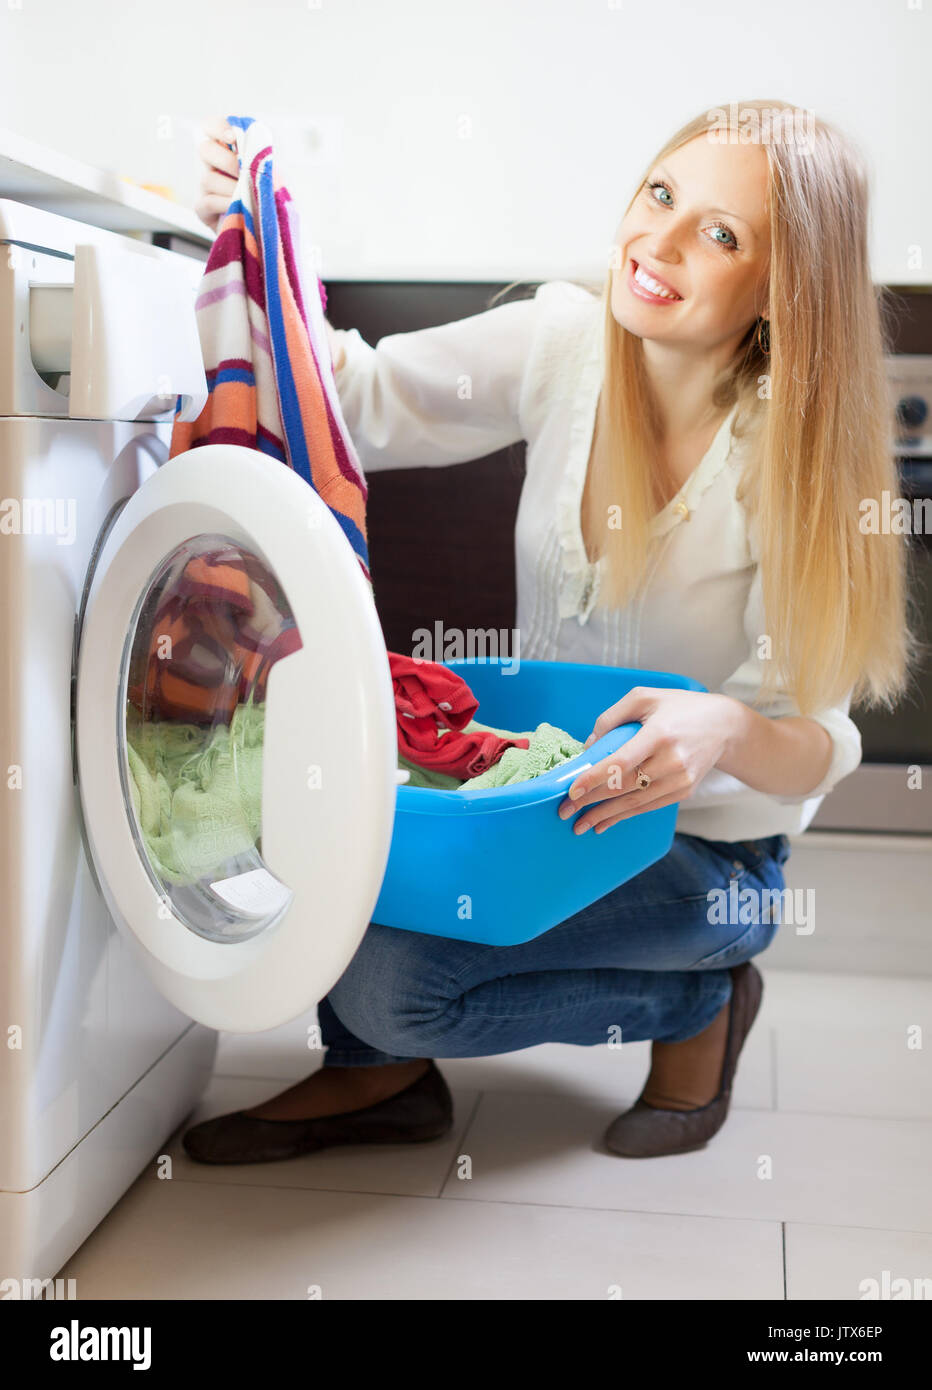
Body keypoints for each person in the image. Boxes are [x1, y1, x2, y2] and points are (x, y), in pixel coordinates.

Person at [184, 101, 918, 1164]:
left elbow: (817, 742)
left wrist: (715, 726)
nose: (656, 245)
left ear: (779, 288)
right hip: (543, 807)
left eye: (718, 234)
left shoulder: (793, 460)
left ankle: (698, 1002)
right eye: (659, 195)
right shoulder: (563, 343)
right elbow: (351, 400)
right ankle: (379, 1080)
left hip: (702, 851)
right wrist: (260, 231)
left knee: (395, 984)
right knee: (331, 888)